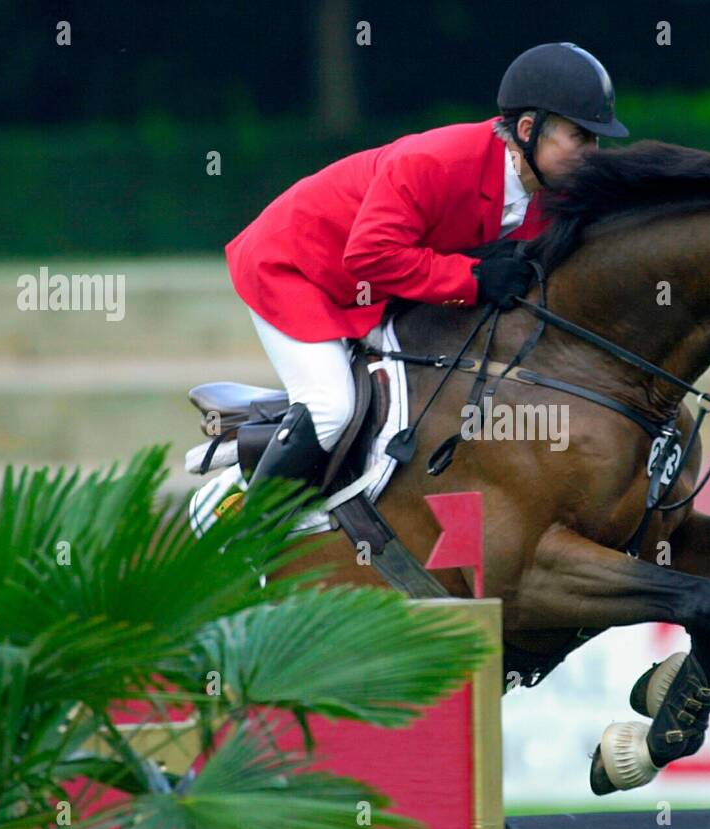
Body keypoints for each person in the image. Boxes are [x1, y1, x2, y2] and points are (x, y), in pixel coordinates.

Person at [219, 42, 629, 496]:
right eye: (581, 136)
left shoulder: (546, 193)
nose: (594, 151)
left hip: (373, 292)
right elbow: (370, 256)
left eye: (596, 138)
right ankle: (245, 533)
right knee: (330, 406)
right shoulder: (437, 161)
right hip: (295, 267)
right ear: (529, 129)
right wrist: (472, 280)